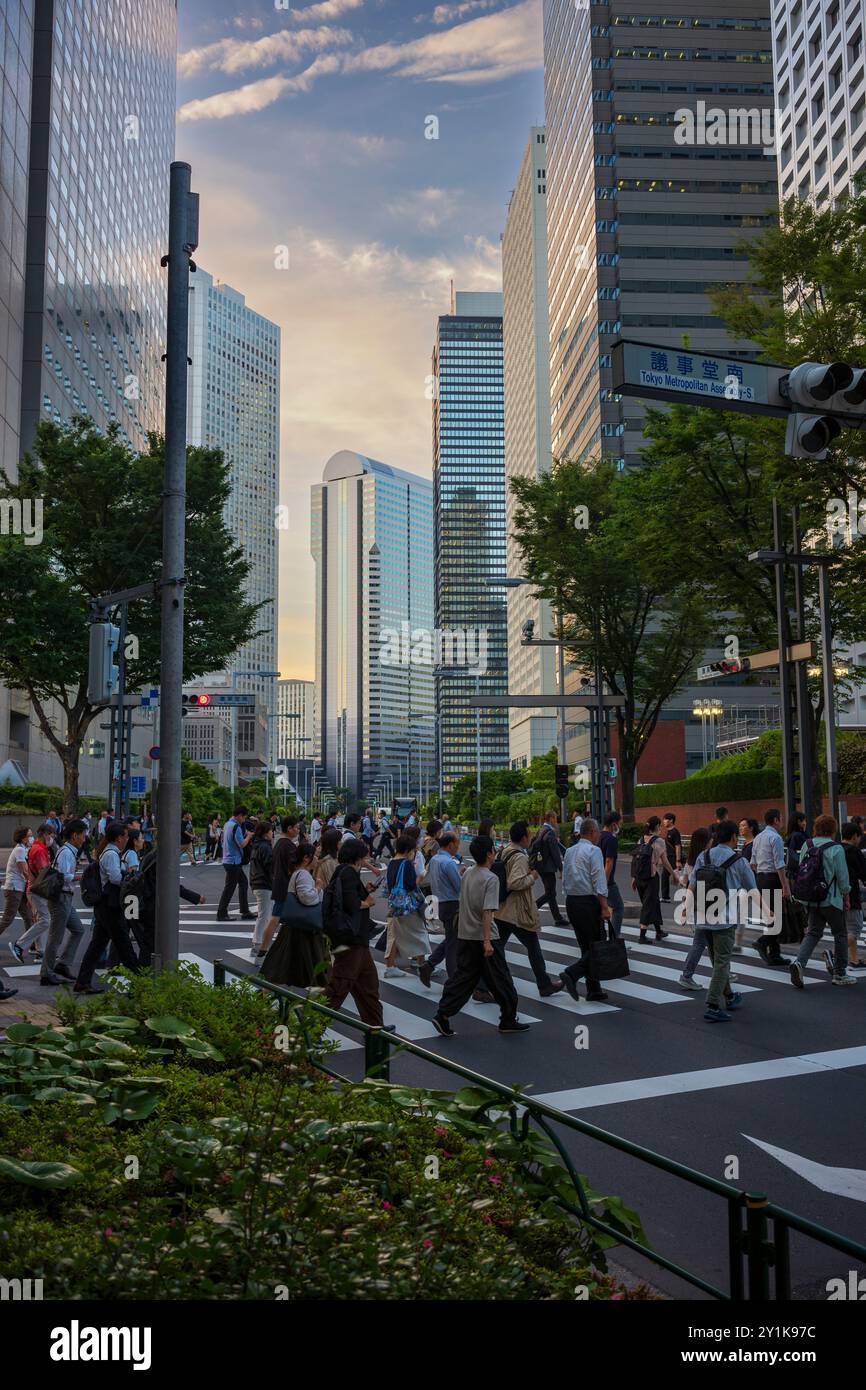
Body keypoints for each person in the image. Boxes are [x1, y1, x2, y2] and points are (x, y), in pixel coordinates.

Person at [432, 835, 529, 1037]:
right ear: (488, 854)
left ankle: (443, 1014)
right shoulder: (490, 878)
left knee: (464, 978)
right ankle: (508, 1019)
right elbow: (488, 911)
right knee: (501, 978)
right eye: (493, 850)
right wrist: (487, 941)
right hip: (485, 937)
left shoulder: (467, 873)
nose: (495, 853)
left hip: (465, 934)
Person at [690, 819, 751, 1022]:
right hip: (725, 918)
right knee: (722, 962)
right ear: (734, 837)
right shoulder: (738, 860)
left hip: (703, 915)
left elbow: (692, 884)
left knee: (717, 961)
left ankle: (729, 995)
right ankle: (713, 1004)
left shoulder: (704, 855)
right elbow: (752, 887)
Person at [494, 821, 564, 997]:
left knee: (496, 948)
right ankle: (544, 984)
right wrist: (532, 876)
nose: (531, 837)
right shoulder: (519, 857)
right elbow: (515, 882)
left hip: (502, 909)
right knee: (533, 948)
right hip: (516, 911)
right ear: (523, 837)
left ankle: (481, 986)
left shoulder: (505, 851)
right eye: (529, 834)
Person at [321, 838, 383, 1026]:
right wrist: (369, 902)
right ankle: (312, 1025)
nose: (365, 861)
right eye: (363, 858)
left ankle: (375, 1028)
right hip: (351, 939)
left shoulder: (343, 871)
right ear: (356, 857)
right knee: (339, 986)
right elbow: (352, 904)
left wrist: (366, 890)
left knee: (368, 985)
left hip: (356, 939)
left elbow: (347, 897)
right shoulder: (348, 873)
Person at [74, 821, 140, 993]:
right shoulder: (111, 854)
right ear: (119, 838)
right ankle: (141, 983)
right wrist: (130, 877)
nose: (127, 839)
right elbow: (115, 878)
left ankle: (82, 981)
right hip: (110, 906)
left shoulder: (109, 851)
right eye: (125, 836)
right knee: (124, 945)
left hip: (104, 906)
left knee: (97, 945)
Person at [790, 814, 853, 989]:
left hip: (810, 898)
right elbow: (842, 878)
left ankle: (799, 963)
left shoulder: (807, 844)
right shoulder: (836, 848)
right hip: (831, 899)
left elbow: (801, 869)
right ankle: (840, 973)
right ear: (833, 829)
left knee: (813, 933)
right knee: (840, 933)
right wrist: (846, 897)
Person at [558, 818, 613, 1003]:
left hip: (572, 901)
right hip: (588, 902)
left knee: (585, 946)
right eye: (597, 832)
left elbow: (564, 878)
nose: (599, 836)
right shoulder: (593, 850)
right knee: (597, 945)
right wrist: (604, 906)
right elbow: (599, 879)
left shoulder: (569, 851)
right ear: (593, 832)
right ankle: (571, 974)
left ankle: (593, 988)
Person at [41, 819, 87, 985]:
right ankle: (46, 973)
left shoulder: (68, 850)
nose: (85, 838)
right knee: (56, 937)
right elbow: (61, 875)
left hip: (65, 897)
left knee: (78, 930)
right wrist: (78, 876)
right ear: (75, 835)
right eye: (83, 835)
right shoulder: (66, 852)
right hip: (60, 897)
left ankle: (63, 964)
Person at [419, 832, 462, 985]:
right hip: (452, 904)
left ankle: (429, 966)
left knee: (451, 938)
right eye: (457, 844)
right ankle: (453, 979)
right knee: (453, 943)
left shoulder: (435, 859)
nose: (458, 847)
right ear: (450, 844)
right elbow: (459, 887)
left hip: (440, 902)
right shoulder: (449, 862)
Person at [750, 808, 790, 967]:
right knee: (777, 917)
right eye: (781, 818)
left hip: (760, 877)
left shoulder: (758, 837)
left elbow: (752, 863)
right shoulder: (776, 838)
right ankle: (762, 942)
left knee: (771, 916)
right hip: (773, 878)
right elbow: (779, 864)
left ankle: (775, 954)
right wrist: (785, 886)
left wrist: (761, 875)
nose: (782, 821)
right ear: (775, 820)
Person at [384, 835, 428, 979]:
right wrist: (420, 877)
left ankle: (390, 967)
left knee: (395, 935)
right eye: (414, 850)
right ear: (409, 850)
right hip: (408, 906)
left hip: (395, 905)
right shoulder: (406, 864)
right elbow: (411, 885)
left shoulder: (392, 862)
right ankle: (423, 966)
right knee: (420, 932)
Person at [676, 827, 713, 990]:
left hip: (698, 904)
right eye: (710, 839)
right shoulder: (704, 858)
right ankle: (686, 975)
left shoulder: (691, 860)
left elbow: (684, 881)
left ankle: (724, 972)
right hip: (705, 904)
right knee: (701, 942)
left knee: (708, 940)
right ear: (706, 841)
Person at [15, 823, 57, 960]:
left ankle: (41, 951)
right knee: (45, 921)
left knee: (41, 919)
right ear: (45, 834)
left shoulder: (37, 848)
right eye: (51, 835)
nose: (53, 838)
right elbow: (44, 872)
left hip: (34, 889)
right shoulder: (39, 850)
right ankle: (20, 944)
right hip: (38, 890)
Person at [631, 816, 672, 943]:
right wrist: (674, 875)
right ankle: (642, 936)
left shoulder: (641, 839)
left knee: (653, 903)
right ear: (656, 827)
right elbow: (665, 861)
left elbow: (634, 860)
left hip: (638, 877)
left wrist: (633, 877)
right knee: (648, 905)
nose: (660, 827)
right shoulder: (659, 841)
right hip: (651, 878)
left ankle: (659, 931)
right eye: (659, 825)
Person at [1, 827, 36, 959]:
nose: (32, 838)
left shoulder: (23, 849)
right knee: (7, 919)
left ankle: (32, 945)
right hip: (14, 889)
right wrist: (35, 884)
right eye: (30, 835)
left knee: (29, 917)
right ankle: (31, 944)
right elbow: (25, 871)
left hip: (19, 889)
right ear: (23, 838)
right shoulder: (20, 850)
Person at [216, 806, 255, 922]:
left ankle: (244, 911)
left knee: (242, 883)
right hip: (233, 861)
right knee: (230, 887)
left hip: (229, 860)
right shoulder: (236, 826)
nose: (244, 820)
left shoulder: (227, 824)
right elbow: (242, 844)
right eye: (244, 817)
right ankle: (222, 913)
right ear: (239, 815)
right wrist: (248, 836)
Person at [532, 811, 567, 924]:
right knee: (551, 893)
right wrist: (561, 868)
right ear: (551, 818)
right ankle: (532, 909)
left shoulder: (540, 830)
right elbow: (555, 853)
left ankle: (558, 918)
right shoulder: (550, 833)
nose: (556, 821)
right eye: (555, 818)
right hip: (548, 867)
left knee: (550, 892)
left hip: (541, 866)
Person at [840, 822, 866, 971]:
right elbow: (864, 872)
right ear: (855, 836)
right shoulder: (853, 851)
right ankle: (833, 953)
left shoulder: (836, 848)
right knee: (855, 928)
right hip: (851, 893)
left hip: (835, 895)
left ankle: (854, 960)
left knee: (847, 928)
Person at [249, 820, 275, 958]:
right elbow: (270, 867)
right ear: (265, 833)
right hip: (264, 884)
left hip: (257, 883)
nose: (272, 833)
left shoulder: (256, 845)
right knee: (264, 915)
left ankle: (260, 943)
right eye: (271, 831)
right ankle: (258, 945)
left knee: (265, 914)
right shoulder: (265, 847)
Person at [599, 810, 624, 937]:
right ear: (614, 824)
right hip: (607, 882)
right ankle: (615, 938)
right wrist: (604, 882)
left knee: (599, 910)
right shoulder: (611, 839)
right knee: (618, 908)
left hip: (596, 878)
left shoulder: (598, 836)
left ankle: (600, 937)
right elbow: (608, 861)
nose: (619, 826)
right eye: (619, 823)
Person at [661, 813, 682, 902]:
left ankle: (690, 894)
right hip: (668, 858)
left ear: (671, 820)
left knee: (679, 878)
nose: (664, 821)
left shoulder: (675, 832)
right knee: (665, 876)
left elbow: (678, 846)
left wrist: (678, 860)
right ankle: (665, 897)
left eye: (665, 819)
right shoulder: (668, 832)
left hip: (673, 858)